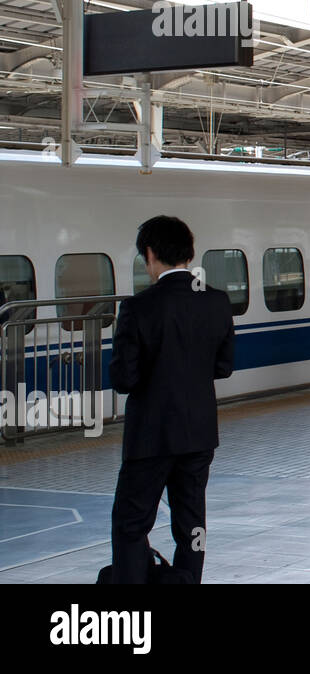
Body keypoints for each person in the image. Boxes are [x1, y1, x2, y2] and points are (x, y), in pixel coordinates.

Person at [110, 215, 235, 583]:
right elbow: (224, 367)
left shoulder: (138, 308)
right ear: (188, 252)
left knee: (131, 525)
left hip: (150, 437)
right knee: (192, 525)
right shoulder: (216, 301)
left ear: (149, 255)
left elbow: (123, 379)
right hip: (198, 433)